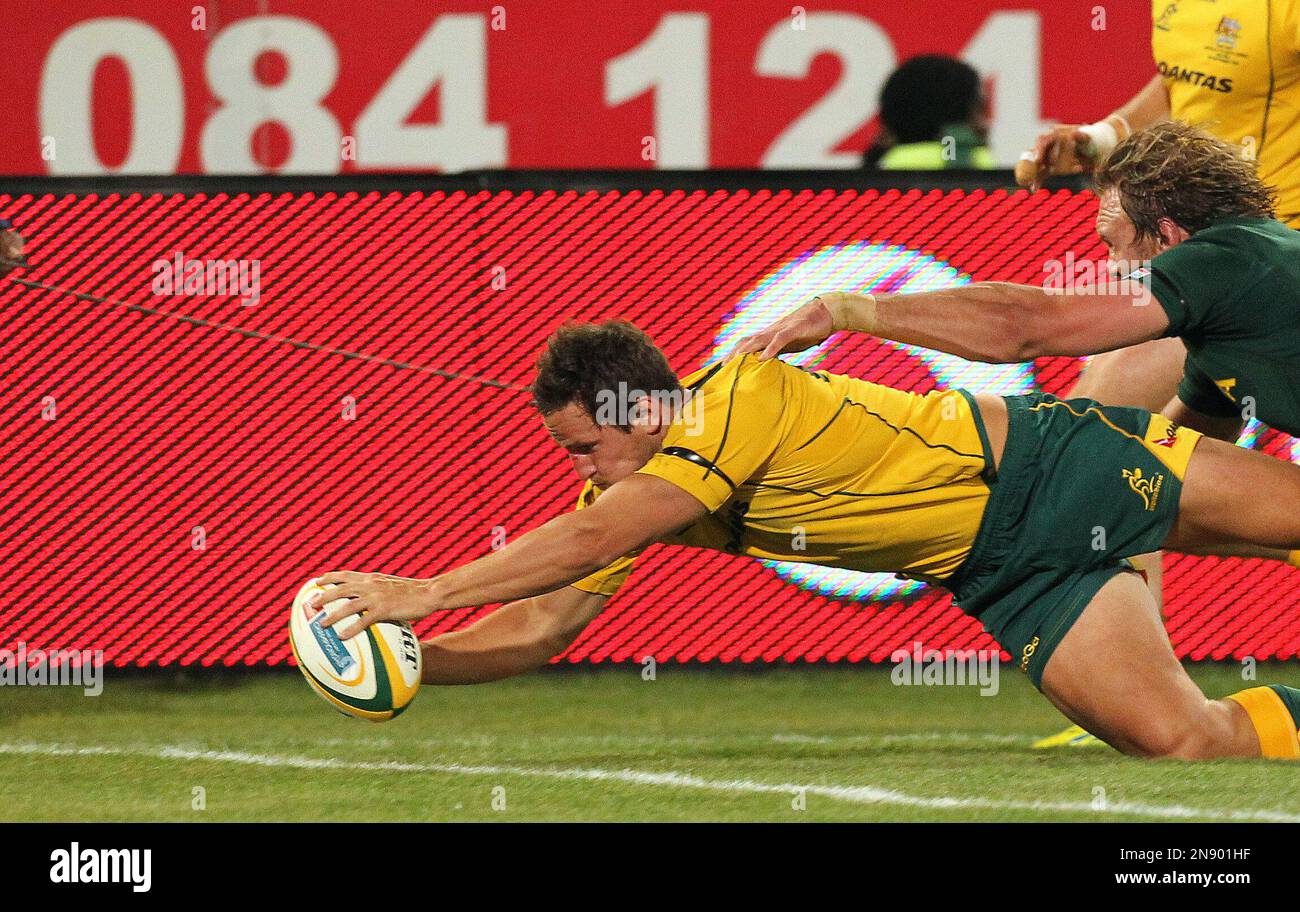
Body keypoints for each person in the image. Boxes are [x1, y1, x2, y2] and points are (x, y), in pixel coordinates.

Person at [311, 320, 1300, 760]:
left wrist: (426, 591)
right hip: (1004, 576)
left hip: (1050, 468)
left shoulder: (731, 400)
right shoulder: (636, 480)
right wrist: (407, 664)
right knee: (1182, 741)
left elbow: (598, 533)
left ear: (642, 406)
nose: (587, 471)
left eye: (588, 445)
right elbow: (540, 626)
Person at [864, 55, 995, 170]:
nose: (985, 126)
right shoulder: (980, 167)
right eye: (979, 110)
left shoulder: (864, 184)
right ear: (956, 126)